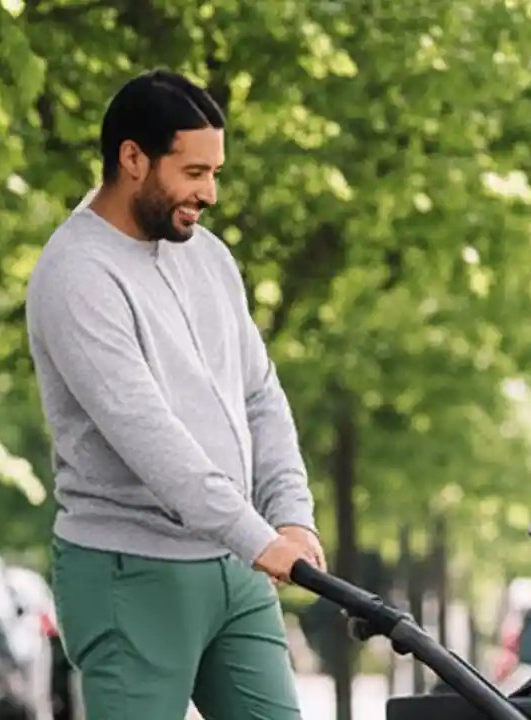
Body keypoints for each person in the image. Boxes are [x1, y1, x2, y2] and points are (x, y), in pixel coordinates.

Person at [25, 69, 324, 720]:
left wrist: (290, 516)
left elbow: (260, 395)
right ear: (133, 158)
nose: (209, 193)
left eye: (215, 173)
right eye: (193, 173)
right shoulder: (77, 275)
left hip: (237, 570)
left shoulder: (209, 258)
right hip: (131, 572)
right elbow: (146, 433)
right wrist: (260, 538)